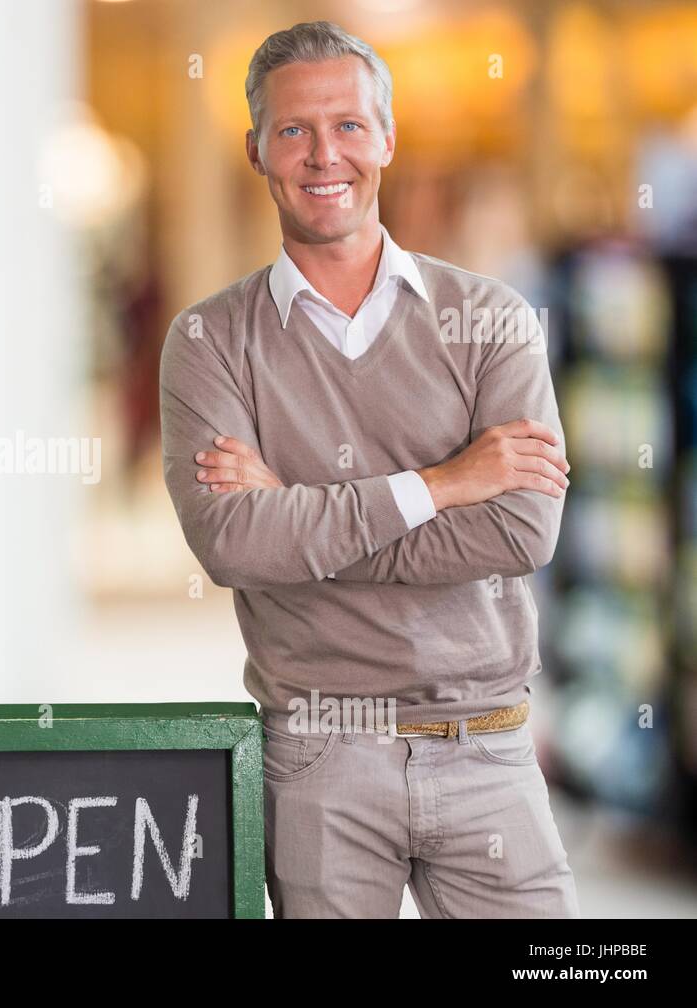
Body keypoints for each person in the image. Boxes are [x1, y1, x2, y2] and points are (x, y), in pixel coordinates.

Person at [158, 21, 579, 917]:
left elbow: (520, 530)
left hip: (488, 746)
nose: (324, 156)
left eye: (349, 125)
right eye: (294, 130)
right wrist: (443, 483)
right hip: (318, 756)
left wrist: (299, 522)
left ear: (386, 138)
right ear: (257, 150)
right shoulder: (210, 340)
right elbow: (234, 546)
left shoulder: (492, 319)